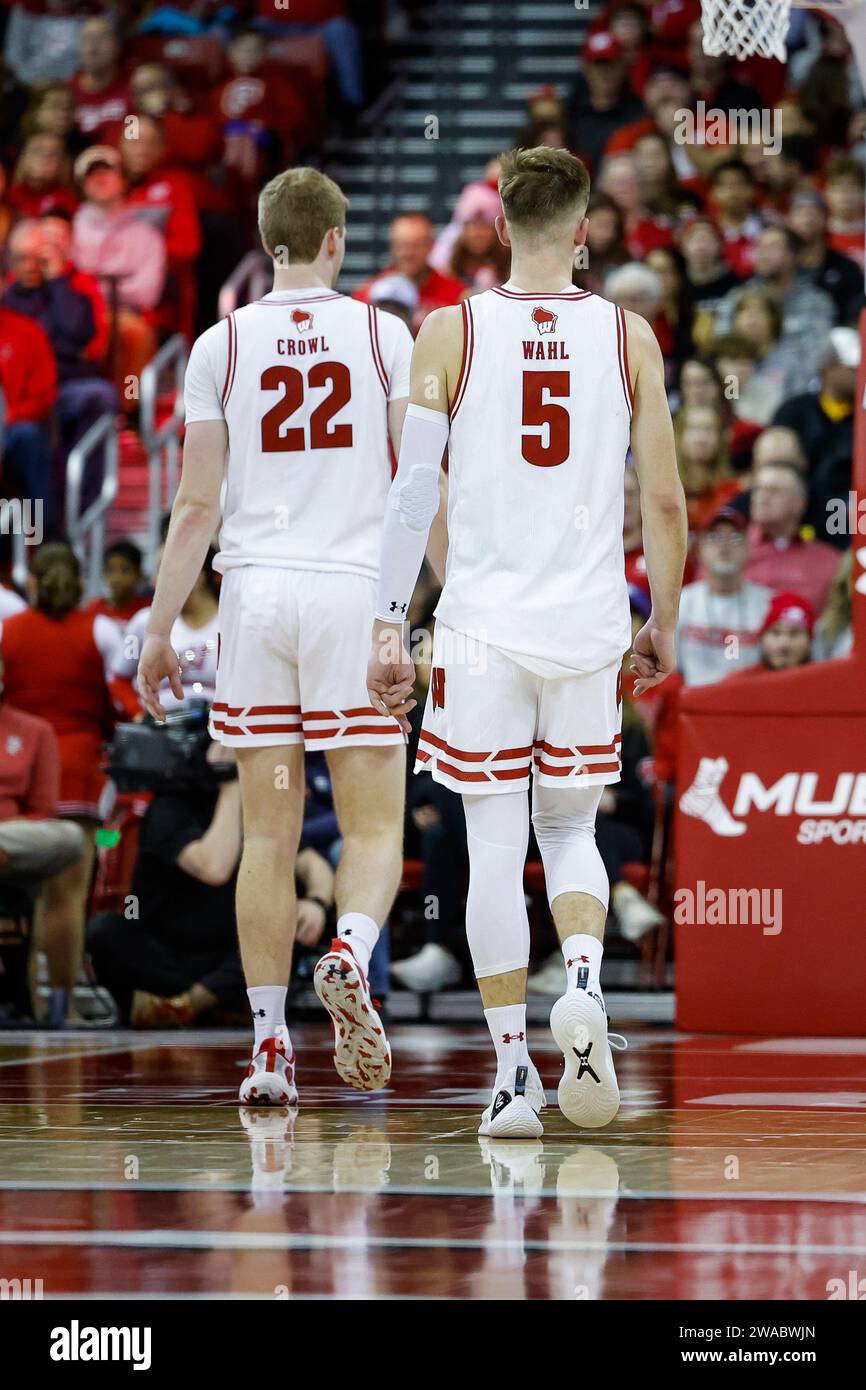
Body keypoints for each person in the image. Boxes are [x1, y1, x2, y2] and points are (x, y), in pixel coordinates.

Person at [368, 146, 688, 1138]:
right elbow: (667, 502)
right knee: (572, 831)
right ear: (585, 231)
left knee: (494, 847)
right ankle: (583, 978)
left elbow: (414, 490)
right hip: (587, 624)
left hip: (481, 626)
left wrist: (390, 623)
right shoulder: (629, 335)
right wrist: (660, 621)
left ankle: (511, 1075)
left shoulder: (447, 328)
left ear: (498, 225)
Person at [137, 167, 420, 1108]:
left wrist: (159, 627)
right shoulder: (384, 332)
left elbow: (194, 506)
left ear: (268, 244)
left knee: (267, 834)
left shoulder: (218, 343)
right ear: (337, 240)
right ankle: (348, 949)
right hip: (350, 592)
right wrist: (431, 608)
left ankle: (267, 1050)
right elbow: (419, 487)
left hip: (254, 597)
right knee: (375, 822)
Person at [0, 543, 121, 1027]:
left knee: (26, 896)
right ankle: (63, 1005)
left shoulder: (9, 631)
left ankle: (27, 997)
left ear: (34, 582)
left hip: (19, 760)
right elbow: (116, 698)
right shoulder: (101, 628)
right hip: (78, 766)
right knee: (66, 898)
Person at [677, 506, 772, 686]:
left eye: (735, 538)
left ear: (748, 549)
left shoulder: (768, 603)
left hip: (751, 703)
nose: (725, 546)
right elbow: (671, 668)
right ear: (700, 549)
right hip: (694, 704)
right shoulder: (681, 602)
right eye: (714, 538)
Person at [743, 462, 841, 612]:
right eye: (758, 490)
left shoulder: (829, 562)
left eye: (774, 491)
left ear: (799, 503)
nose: (762, 498)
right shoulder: (728, 548)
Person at [354, 213, 465, 334]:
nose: (408, 253)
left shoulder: (456, 295)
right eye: (401, 245)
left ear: (431, 245)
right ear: (392, 247)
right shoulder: (368, 294)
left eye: (416, 246)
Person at [83, 540, 149, 625]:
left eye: (125, 570)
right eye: (111, 570)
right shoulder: (91, 610)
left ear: (139, 575)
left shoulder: (147, 611)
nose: (116, 578)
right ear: (104, 573)